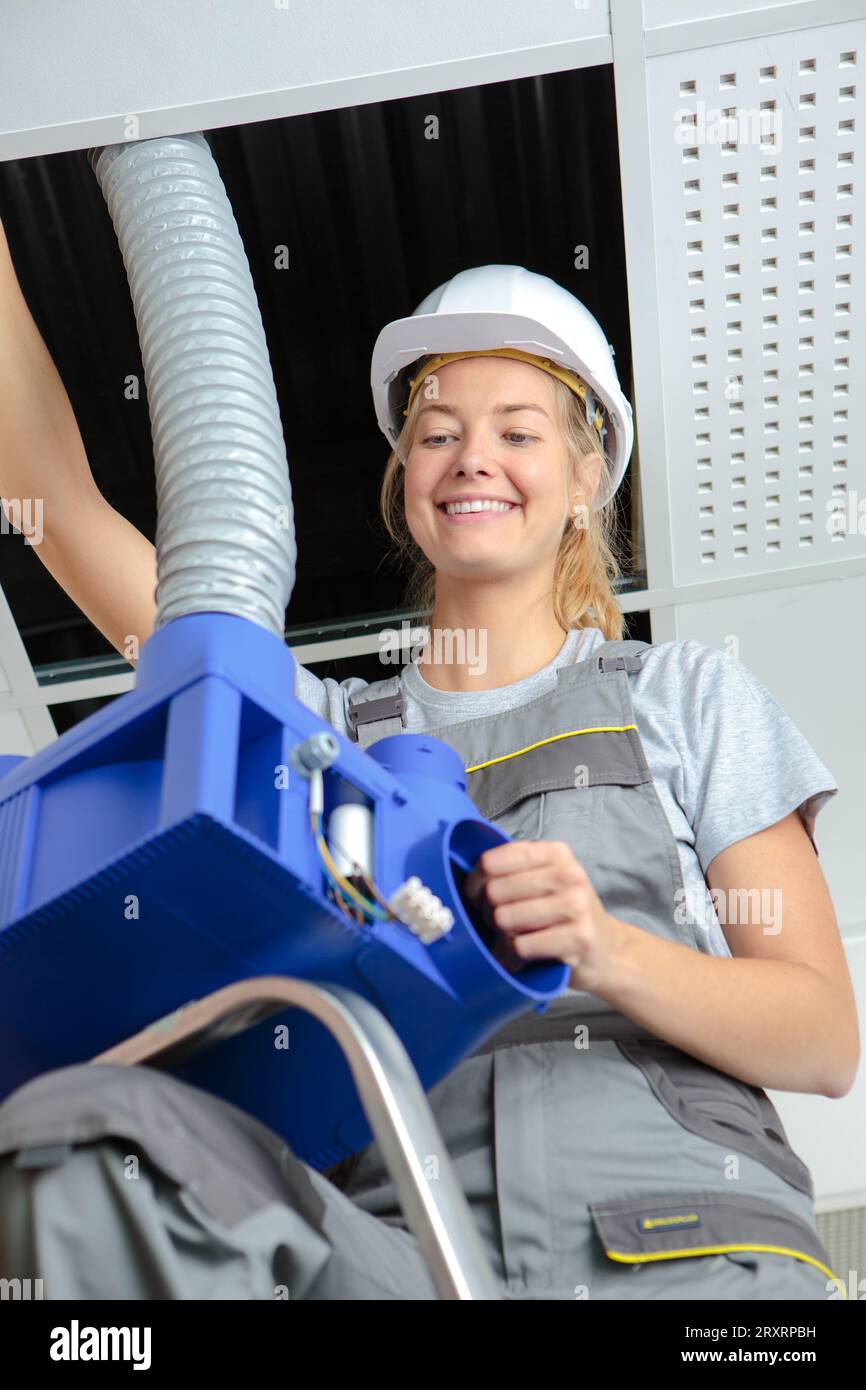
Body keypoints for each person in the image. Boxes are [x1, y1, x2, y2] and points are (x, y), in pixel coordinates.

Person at [0, 249, 858, 1300]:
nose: (470, 459)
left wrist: (602, 947)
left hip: (685, 1251)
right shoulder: (318, 731)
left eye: (516, 432)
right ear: (404, 477)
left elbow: (820, 1037)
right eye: (436, 433)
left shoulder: (680, 696)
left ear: (585, 478)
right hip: (396, 1249)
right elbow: (54, 500)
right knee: (80, 1143)